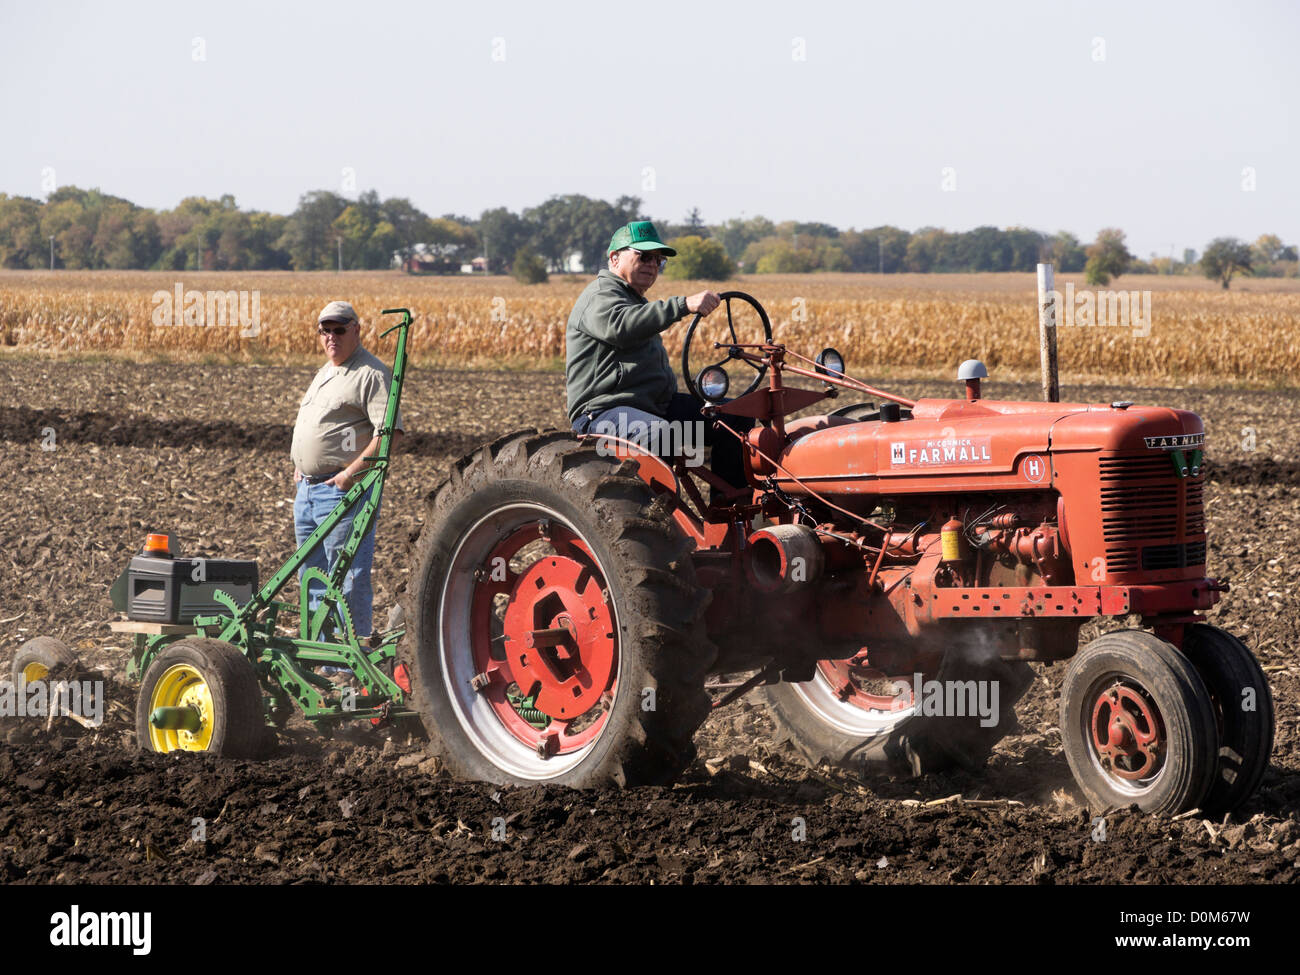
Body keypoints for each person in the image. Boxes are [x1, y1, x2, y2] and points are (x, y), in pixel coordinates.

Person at [565, 220, 751, 493]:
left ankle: (729, 513)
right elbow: (621, 326)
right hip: (601, 414)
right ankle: (660, 524)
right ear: (614, 258)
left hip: (653, 406)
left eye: (658, 261)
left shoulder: (633, 299)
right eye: (644, 256)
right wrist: (683, 305)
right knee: (660, 434)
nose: (653, 265)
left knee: (735, 417)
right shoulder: (600, 295)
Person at [290, 300, 404, 644]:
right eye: (325, 330)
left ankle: (351, 663)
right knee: (312, 575)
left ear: (356, 329)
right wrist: (301, 465)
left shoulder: (371, 373)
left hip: (342, 492)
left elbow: (389, 435)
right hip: (308, 492)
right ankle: (321, 654)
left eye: (339, 329)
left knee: (348, 577)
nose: (331, 337)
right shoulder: (325, 372)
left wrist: (349, 475)